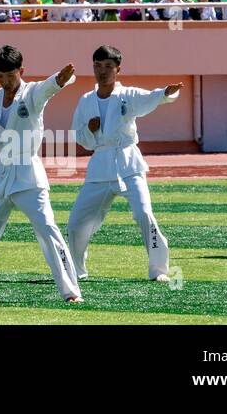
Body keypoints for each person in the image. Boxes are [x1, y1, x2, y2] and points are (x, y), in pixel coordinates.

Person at [0, 46, 82, 302]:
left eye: (10, 76)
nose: (5, 82)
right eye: (0, 76)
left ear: (21, 71)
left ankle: (71, 292)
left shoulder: (32, 94)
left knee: (48, 229)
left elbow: (49, 87)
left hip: (27, 174)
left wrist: (60, 79)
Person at [64, 45, 182, 282]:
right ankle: (77, 270)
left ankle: (159, 270)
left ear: (118, 69)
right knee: (77, 223)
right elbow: (79, 136)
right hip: (100, 167)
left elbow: (153, 97)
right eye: (98, 66)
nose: (103, 71)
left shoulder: (128, 95)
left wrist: (166, 93)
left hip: (129, 165)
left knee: (144, 214)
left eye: (108, 66)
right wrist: (90, 129)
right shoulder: (86, 101)